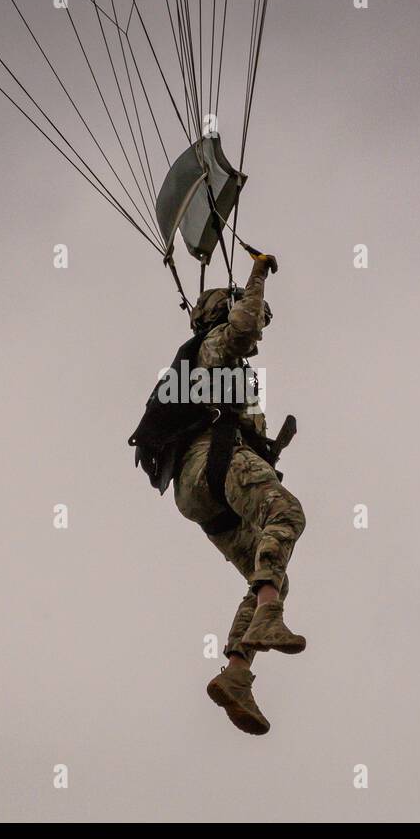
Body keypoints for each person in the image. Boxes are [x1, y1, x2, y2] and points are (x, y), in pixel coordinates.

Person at [129, 251, 306, 735]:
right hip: (210, 463)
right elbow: (244, 329)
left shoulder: (216, 374)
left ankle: (237, 674)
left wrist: (271, 448)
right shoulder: (213, 348)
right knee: (287, 514)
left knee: (268, 574)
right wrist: (257, 272)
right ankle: (268, 615)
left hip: (202, 495)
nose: (259, 335)